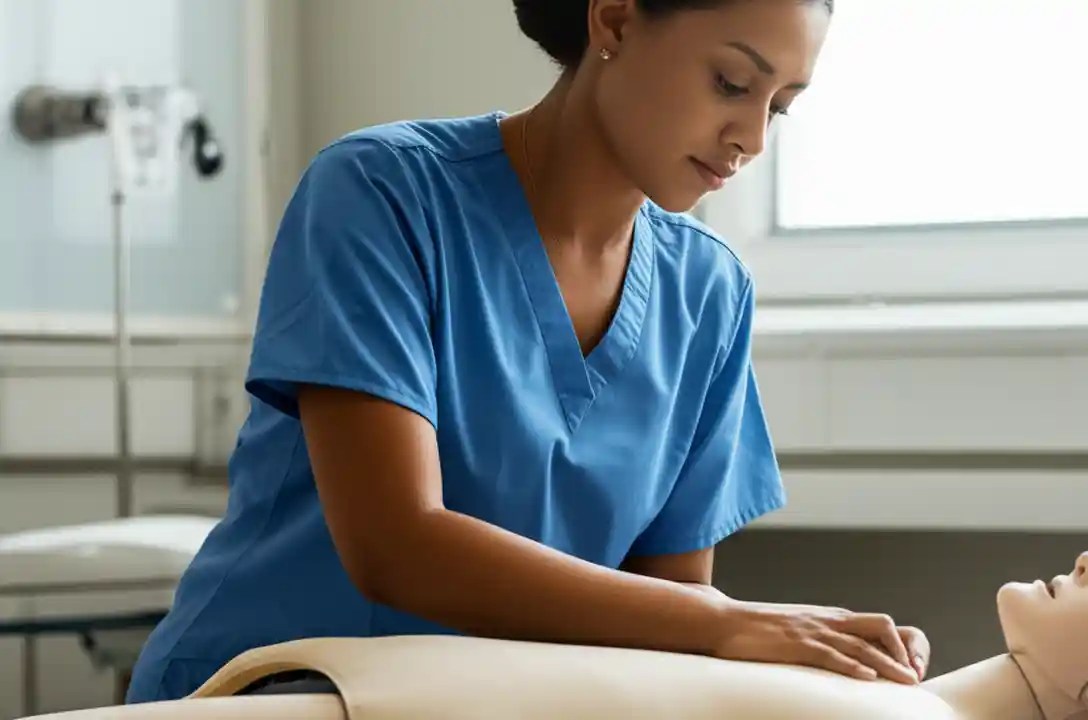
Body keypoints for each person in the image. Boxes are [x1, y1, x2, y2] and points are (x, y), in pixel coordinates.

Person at [126, 0, 930, 703]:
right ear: (613, 19)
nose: (751, 137)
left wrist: (820, 661)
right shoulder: (382, 193)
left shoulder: (707, 292)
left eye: (780, 106)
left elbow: (665, 625)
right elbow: (396, 546)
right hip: (273, 690)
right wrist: (728, 625)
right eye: (731, 83)